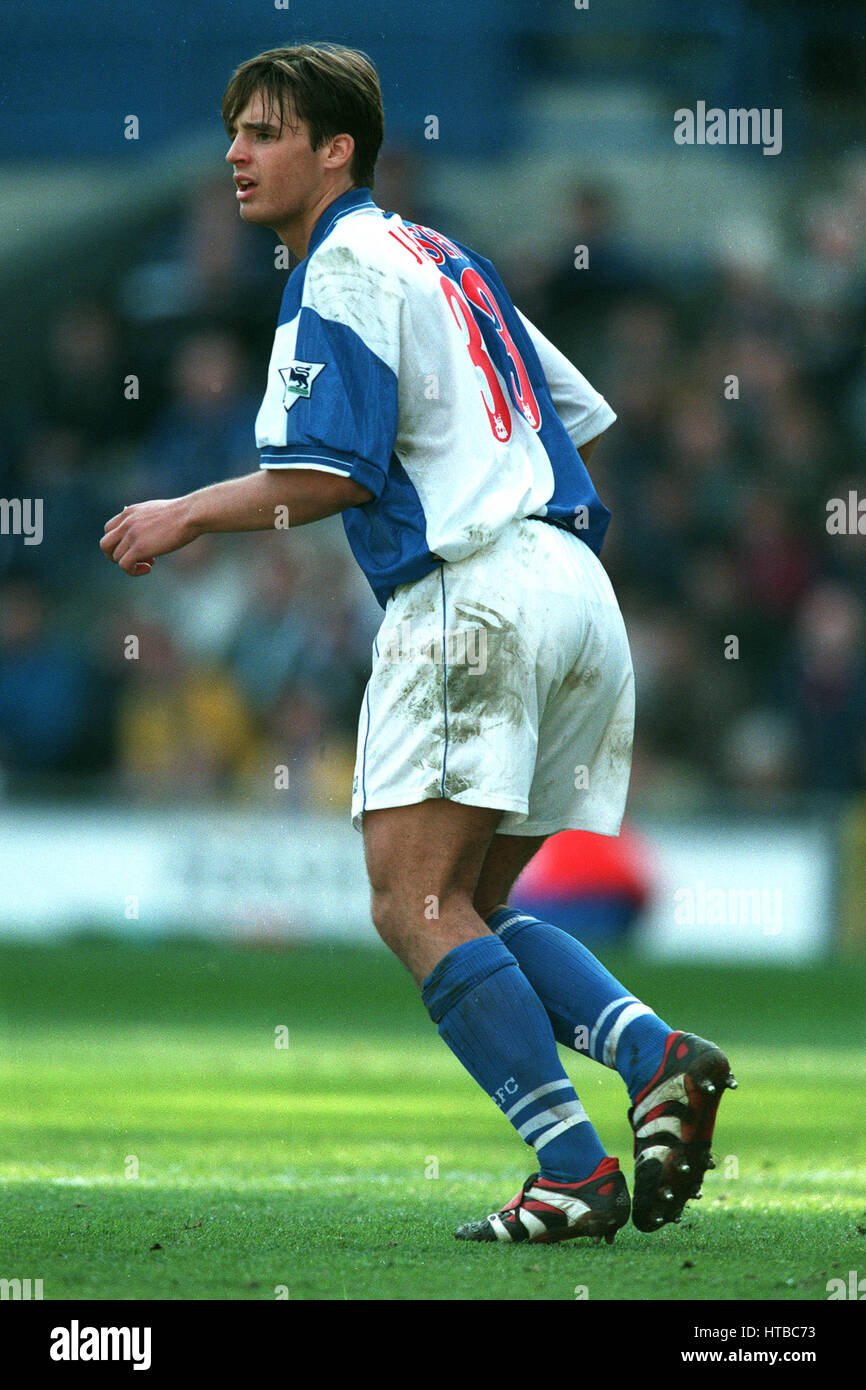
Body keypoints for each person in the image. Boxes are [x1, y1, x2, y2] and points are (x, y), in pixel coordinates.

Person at [101, 42, 735, 1245]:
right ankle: (651, 1054)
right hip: (570, 587)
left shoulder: (338, 265)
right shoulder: (448, 257)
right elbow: (571, 417)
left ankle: (571, 1166)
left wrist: (184, 514)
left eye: (265, 131)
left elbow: (324, 476)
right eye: (233, 129)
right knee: (471, 910)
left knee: (413, 901)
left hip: (470, 591)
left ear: (335, 148)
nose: (235, 153)